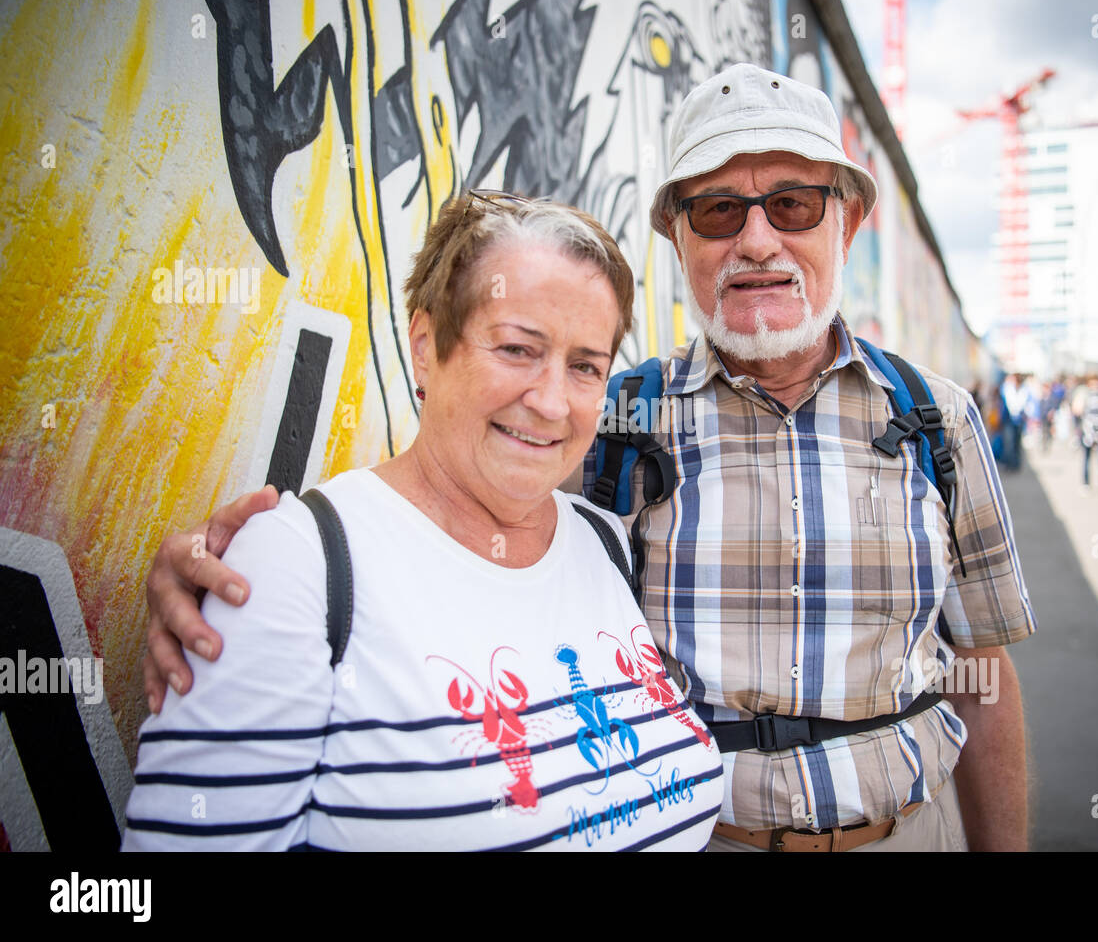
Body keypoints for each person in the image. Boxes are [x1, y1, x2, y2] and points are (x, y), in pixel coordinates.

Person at [144, 64, 1036, 852]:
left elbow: (985, 679)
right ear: (679, 239)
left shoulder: (936, 421)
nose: (757, 241)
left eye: (794, 203)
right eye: (720, 210)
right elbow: (448, 507)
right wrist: (249, 571)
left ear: (848, 221)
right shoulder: (615, 421)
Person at [124, 194, 723, 850]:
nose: (552, 401)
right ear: (424, 346)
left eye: (584, 366)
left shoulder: (601, 539)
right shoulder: (297, 564)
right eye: (519, 348)